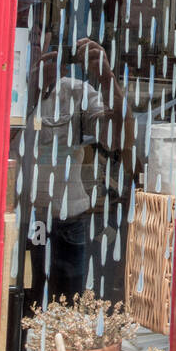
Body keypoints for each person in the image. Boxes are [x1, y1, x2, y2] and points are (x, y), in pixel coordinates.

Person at [16, 27, 131, 310]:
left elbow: (117, 139)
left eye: (51, 50)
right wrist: (32, 90)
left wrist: (106, 79)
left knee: (68, 307)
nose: (45, 56)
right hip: (19, 218)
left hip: (67, 218)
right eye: (35, 46)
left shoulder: (76, 91)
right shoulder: (12, 89)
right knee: (17, 306)